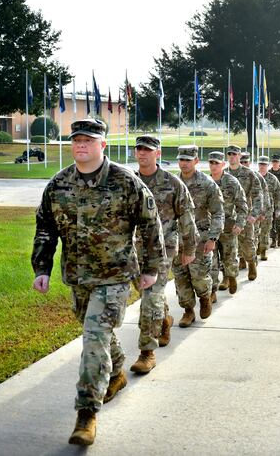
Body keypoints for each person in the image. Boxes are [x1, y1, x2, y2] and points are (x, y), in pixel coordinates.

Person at [31, 119, 165, 445]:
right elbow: (45, 227)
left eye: (88, 141)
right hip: (78, 277)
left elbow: (150, 224)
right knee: (100, 335)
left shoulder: (125, 181)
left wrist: (152, 268)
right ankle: (116, 372)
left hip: (116, 277)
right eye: (76, 140)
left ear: (102, 145)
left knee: (93, 338)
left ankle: (86, 414)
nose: (81, 146)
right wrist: (42, 268)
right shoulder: (58, 184)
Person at [131, 136, 201, 374]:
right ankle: (164, 319)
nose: (142, 153)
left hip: (164, 247)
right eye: (139, 149)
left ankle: (146, 353)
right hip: (134, 249)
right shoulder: (128, 182)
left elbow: (187, 217)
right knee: (147, 293)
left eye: (148, 150)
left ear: (157, 153)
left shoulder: (172, 183)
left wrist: (189, 249)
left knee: (150, 297)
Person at [174, 145, 224, 327]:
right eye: (181, 159)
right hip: (177, 240)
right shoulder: (172, 183)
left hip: (200, 240)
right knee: (181, 278)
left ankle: (205, 296)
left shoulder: (207, 184)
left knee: (199, 277)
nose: (183, 163)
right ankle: (188, 311)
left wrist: (213, 238)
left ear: (196, 161)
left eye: (187, 160)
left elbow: (218, 213)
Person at [210, 151, 248, 294]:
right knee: (211, 263)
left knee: (229, 258)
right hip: (210, 229)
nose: (213, 166)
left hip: (228, 226)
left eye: (216, 163)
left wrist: (239, 224)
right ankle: (211, 293)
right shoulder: (206, 182)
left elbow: (242, 206)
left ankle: (231, 277)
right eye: (211, 163)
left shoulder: (232, 182)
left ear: (223, 164)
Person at [225, 145, 263, 281]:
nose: (232, 156)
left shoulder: (249, 174)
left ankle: (251, 264)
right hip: (228, 216)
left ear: (240, 156)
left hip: (245, 214)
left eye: (234, 154)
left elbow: (258, 195)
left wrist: (254, 214)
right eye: (229, 154)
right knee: (227, 248)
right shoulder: (223, 173)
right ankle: (227, 276)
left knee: (247, 244)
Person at [257, 156, 280, 259]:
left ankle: (263, 250)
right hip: (255, 210)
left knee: (265, 231)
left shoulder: (272, 178)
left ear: (268, 165)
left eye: (264, 164)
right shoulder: (254, 176)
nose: (262, 166)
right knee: (254, 232)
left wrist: (278, 209)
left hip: (268, 210)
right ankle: (257, 247)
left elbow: (277, 194)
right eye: (261, 164)